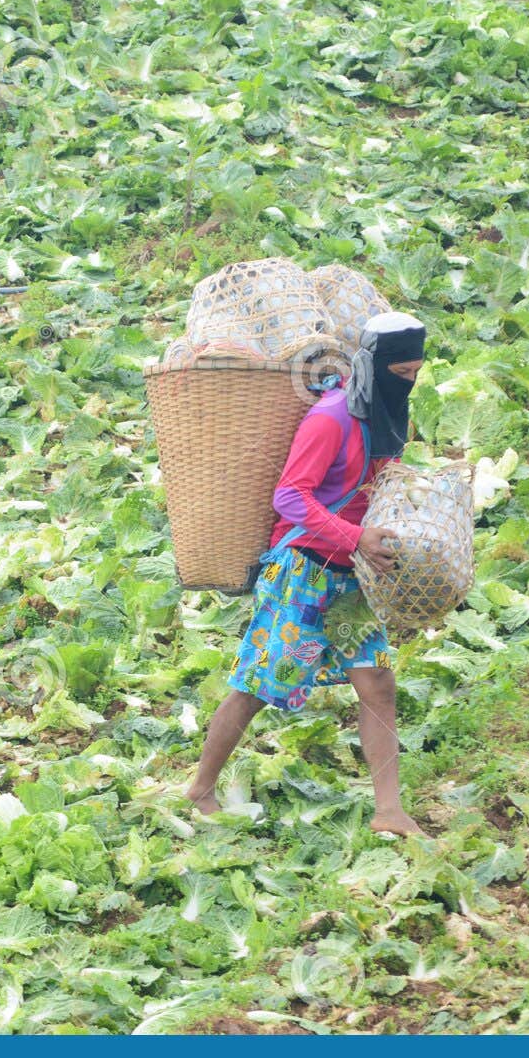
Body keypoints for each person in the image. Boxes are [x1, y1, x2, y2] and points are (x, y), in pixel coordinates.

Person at [185, 312, 428, 835]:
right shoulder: (332, 418)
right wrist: (354, 536)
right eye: (401, 373)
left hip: (352, 575)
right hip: (304, 572)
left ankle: (388, 810)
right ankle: (200, 787)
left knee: (378, 684)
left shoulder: (389, 416)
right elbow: (290, 497)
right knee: (258, 685)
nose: (408, 383)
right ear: (376, 366)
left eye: (415, 373)